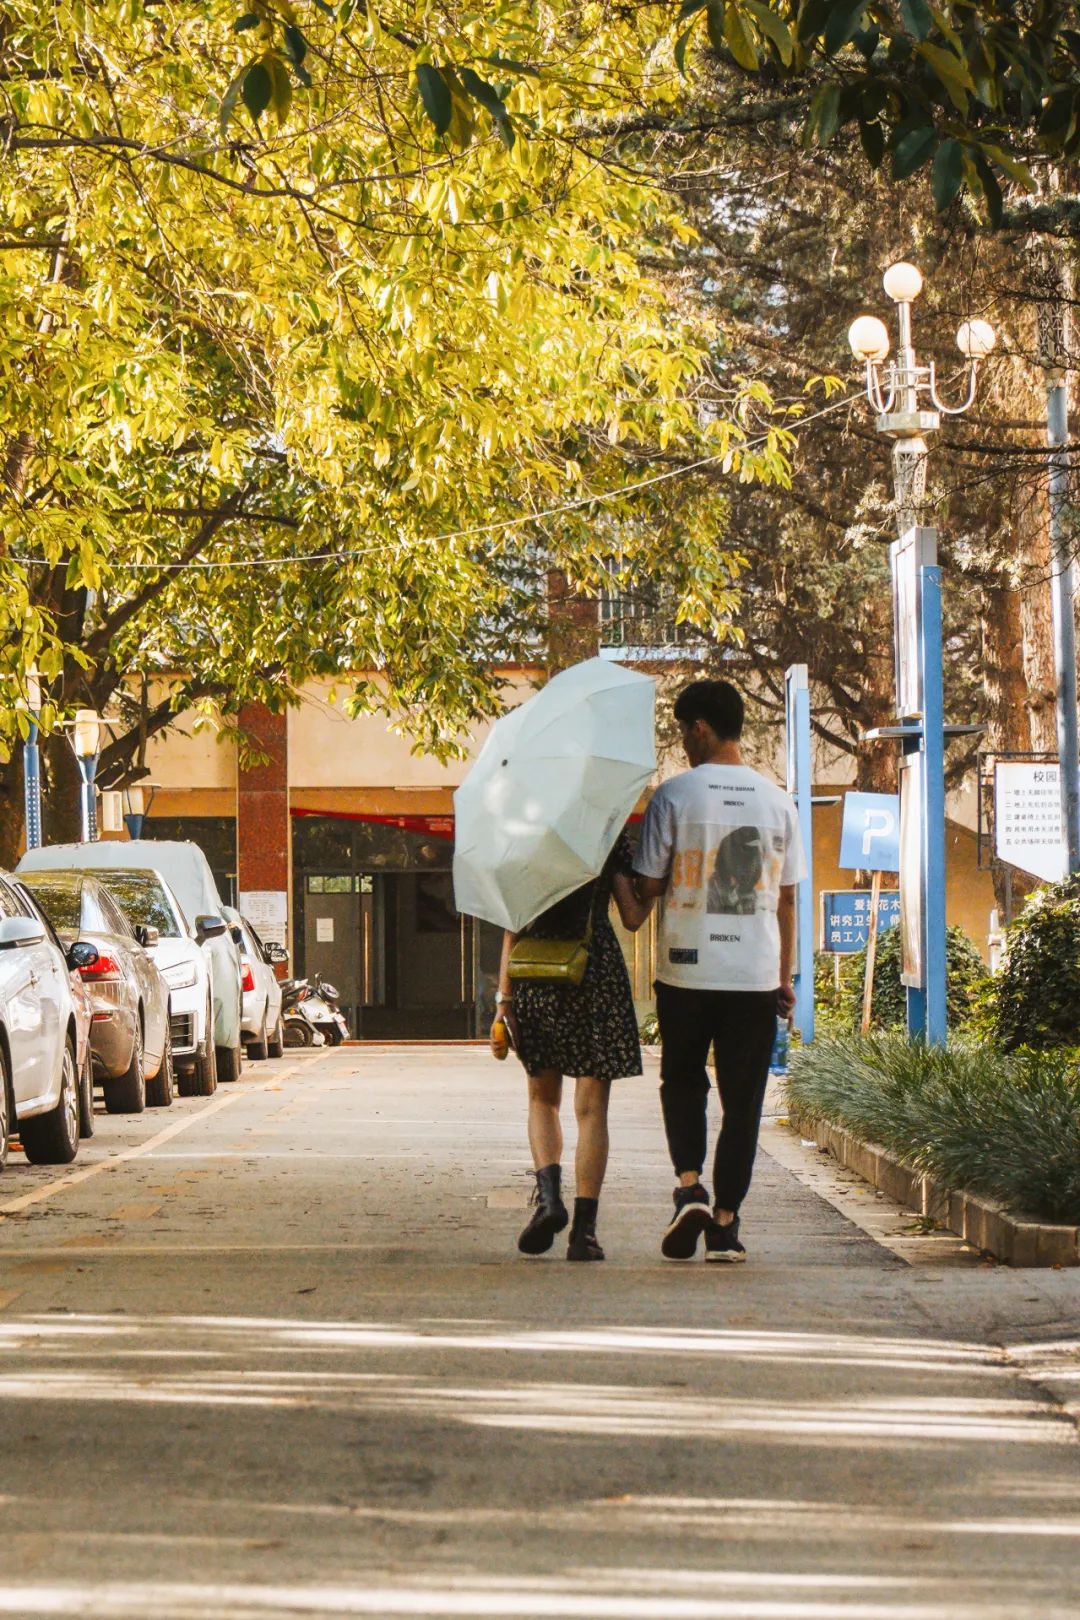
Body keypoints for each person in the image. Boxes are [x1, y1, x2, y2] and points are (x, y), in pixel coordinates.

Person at [632, 679, 805, 1264]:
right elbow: (786, 901)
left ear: (700, 728)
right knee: (743, 1102)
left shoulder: (674, 796)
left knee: (682, 1082)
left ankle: (689, 1187)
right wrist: (784, 977)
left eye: (684, 731)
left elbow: (650, 887)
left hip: (685, 972)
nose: (683, 742)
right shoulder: (780, 801)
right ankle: (726, 1223)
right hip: (753, 976)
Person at [492, 831, 648, 1263]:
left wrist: (504, 1001)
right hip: (593, 973)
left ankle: (548, 1201)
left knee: (542, 1099)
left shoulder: (522, 840)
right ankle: (584, 1233)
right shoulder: (604, 836)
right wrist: (651, 892)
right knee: (592, 1109)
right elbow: (633, 916)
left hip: (537, 976)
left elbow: (512, 928)